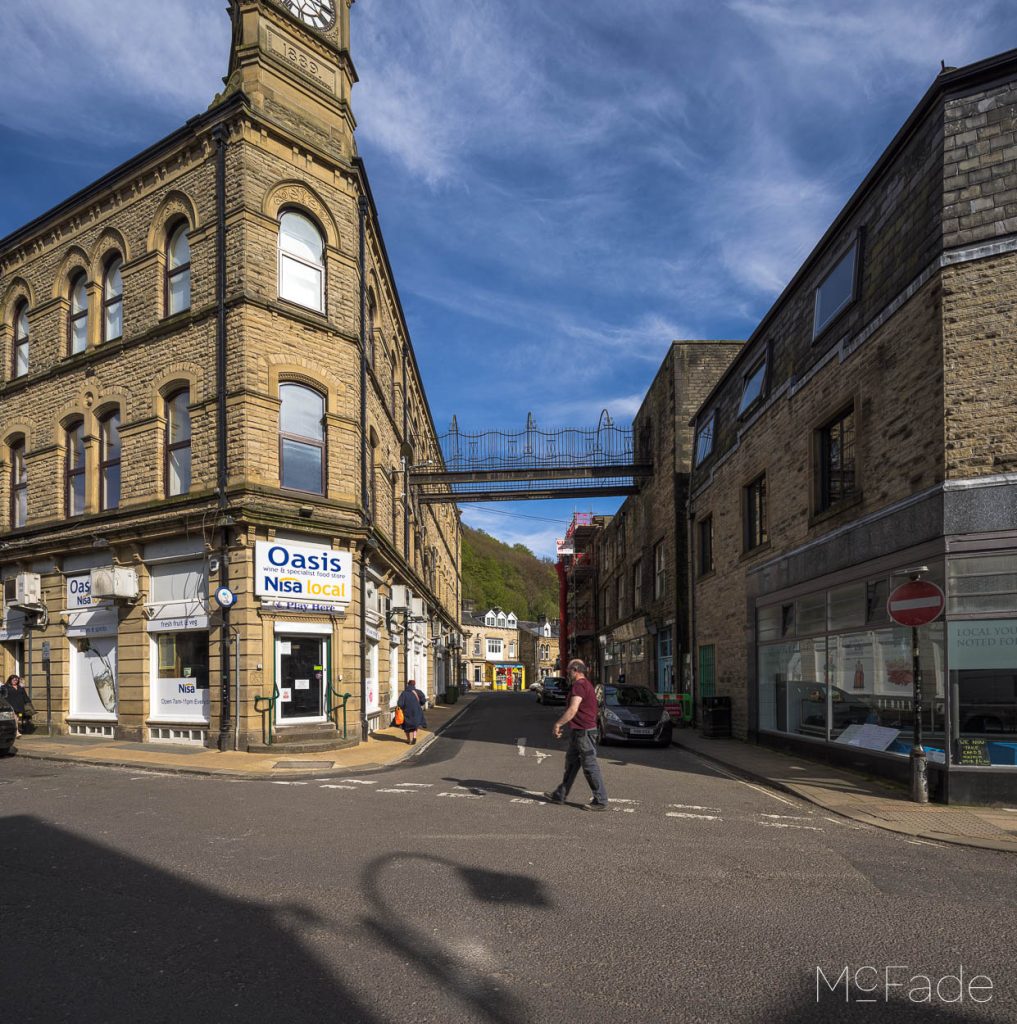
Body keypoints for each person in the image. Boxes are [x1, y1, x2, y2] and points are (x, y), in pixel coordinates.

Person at [545, 658, 609, 810]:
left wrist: (558, 724)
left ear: (575, 670)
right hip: (579, 732)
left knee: (590, 766)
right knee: (572, 764)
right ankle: (560, 794)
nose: (567, 673)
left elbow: (573, 709)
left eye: (568, 671)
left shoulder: (579, 686)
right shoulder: (585, 685)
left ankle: (601, 800)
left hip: (584, 733)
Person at [397, 679, 427, 744]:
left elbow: (400, 704)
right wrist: (419, 704)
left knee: (406, 726)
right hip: (416, 711)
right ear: (414, 685)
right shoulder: (418, 692)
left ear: (408, 684)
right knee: (415, 725)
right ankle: (414, 737)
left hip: (407, 712)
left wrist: (403, 707)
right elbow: (423, 701)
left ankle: (408, 739)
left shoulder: (404, 693)